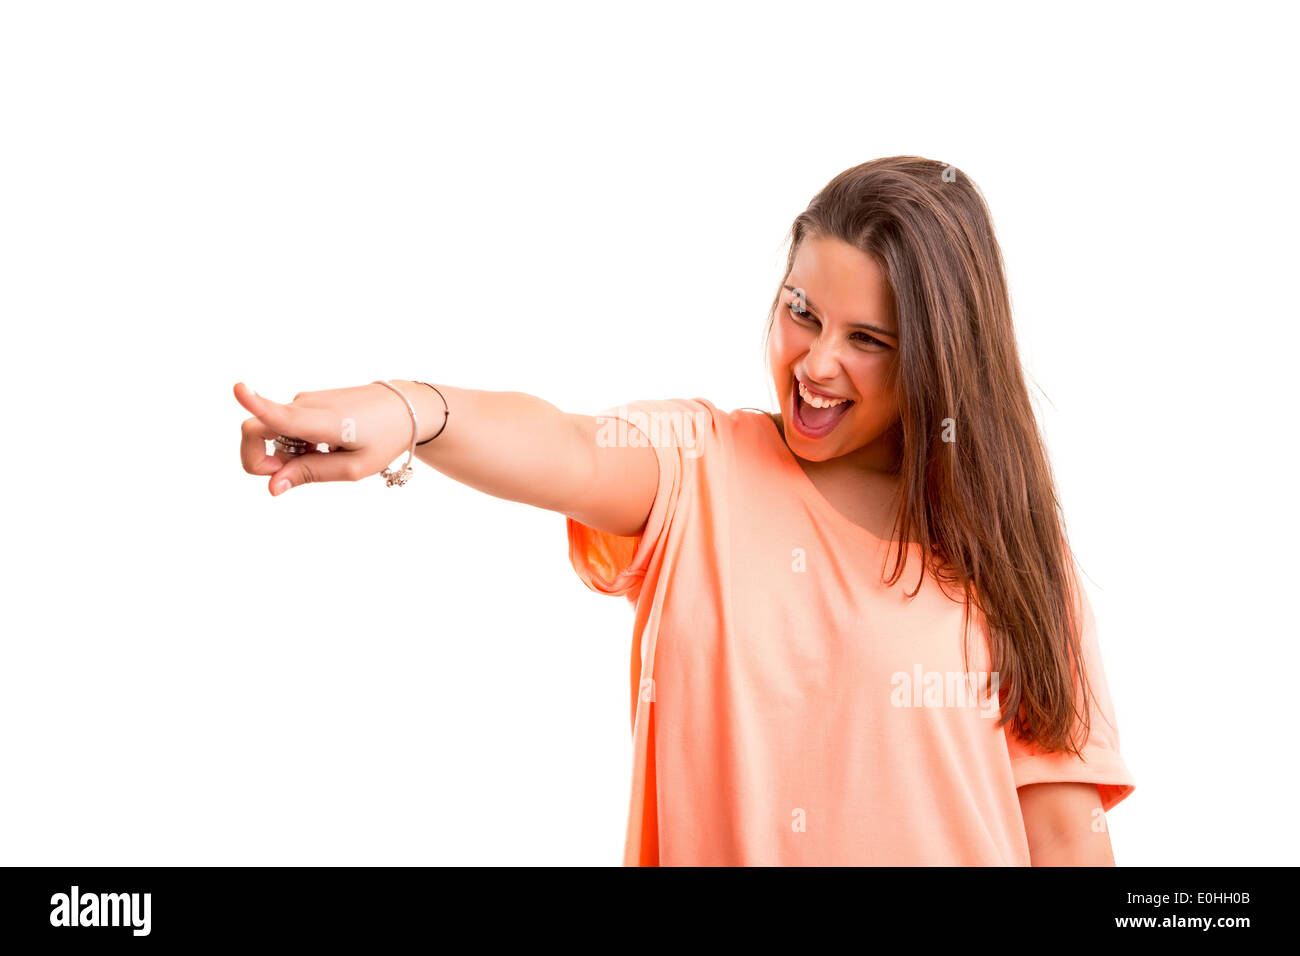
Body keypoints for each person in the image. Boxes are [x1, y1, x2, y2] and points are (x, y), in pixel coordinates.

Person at [234, 155, 1135, 866]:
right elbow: (568, 447)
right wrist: (411, 412)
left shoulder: (1013, 550)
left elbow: (1064, 840)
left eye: (867, 340)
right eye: (801, 313)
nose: (817, 364)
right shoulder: (700, 468)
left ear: (940, 357)